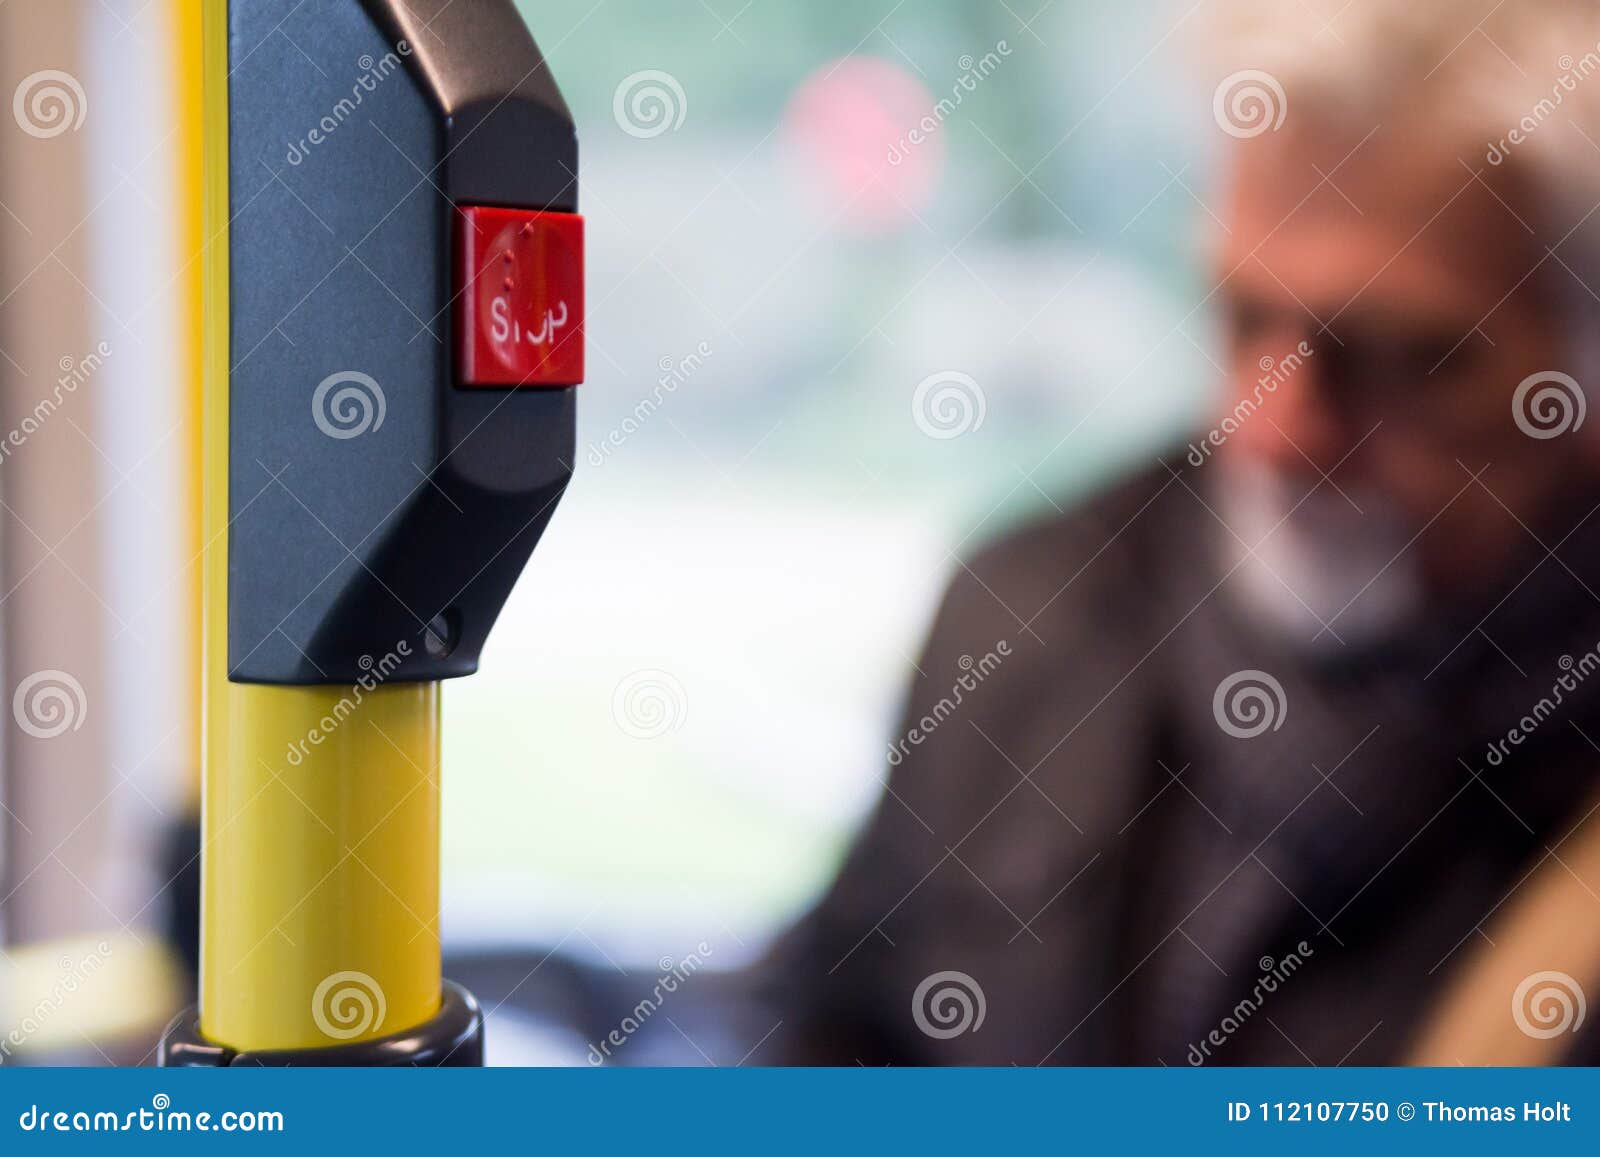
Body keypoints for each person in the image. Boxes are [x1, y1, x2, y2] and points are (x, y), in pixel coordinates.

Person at [752, 0, 1600, 1064]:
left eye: (1395, 355)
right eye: (1245, 319)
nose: (1274, 430)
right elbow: (823, 1039)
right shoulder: (1031, 613)